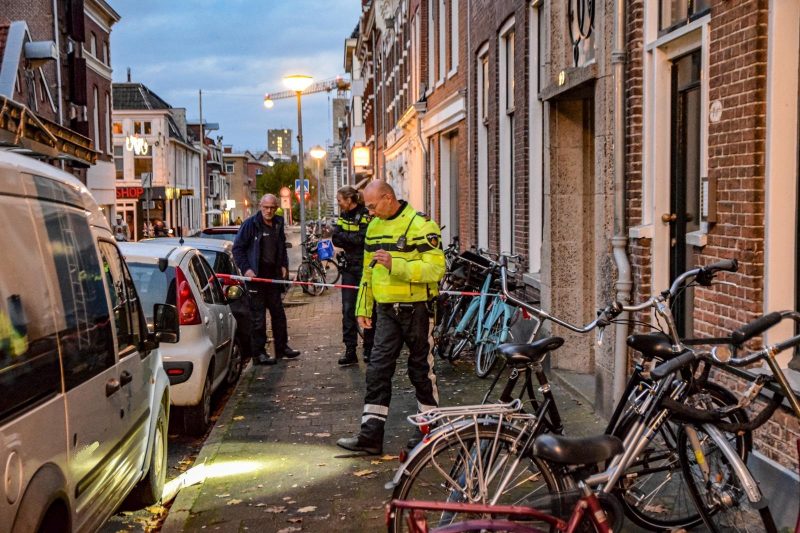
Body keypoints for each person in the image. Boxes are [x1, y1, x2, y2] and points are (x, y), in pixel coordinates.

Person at [336, 181, 445, 455]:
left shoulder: (420, 225)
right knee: (377, 370)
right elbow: (368, 273)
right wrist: (362, 308)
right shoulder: (373, 227)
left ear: (388, 198)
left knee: (420, 370)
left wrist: (396, 265)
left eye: (372, 206)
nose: (369, 212)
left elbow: (436, 269)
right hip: (385, 312)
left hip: (416, 310)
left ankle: (429, 431)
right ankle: (370, 436)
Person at [233, 193, 301, 365]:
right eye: (266, 207)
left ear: (276, 207)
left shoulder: (278, 223)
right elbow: (238, 249)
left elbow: (281, 247)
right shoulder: (251, 224)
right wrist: (247, 269)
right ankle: (259, 353)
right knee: (258, 317)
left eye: (272, 207)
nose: (269, 211)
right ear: (260, 206)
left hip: (273, 277)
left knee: (278, 313)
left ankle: (282, 347)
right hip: (256, 278)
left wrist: (284, 265)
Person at [331, 186, 374, 366]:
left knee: (368, 309)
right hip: (348, 268)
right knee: (347, 309)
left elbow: (362, 239)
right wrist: (351, 237)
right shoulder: (343, 216)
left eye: (340, 200)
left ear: (349, 200)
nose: (338, 203)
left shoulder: (365, 215)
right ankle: (350, 350)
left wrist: (346, 237)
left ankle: (369, 349)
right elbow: (335, 238)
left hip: (364, 267)